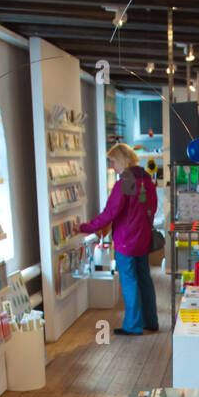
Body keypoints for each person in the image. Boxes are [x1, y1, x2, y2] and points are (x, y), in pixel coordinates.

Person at [80, 142, 159, 335]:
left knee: (130, 280)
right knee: (144, 279)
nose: (112, 166)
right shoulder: (146, 179)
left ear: (122, 160)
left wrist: (86, 227)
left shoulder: (126, 181)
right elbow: (153, 207)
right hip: (142, 237)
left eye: (113, 161)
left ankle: (133, 325)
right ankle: (151, 321)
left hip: (126, 240)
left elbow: (110, 212)